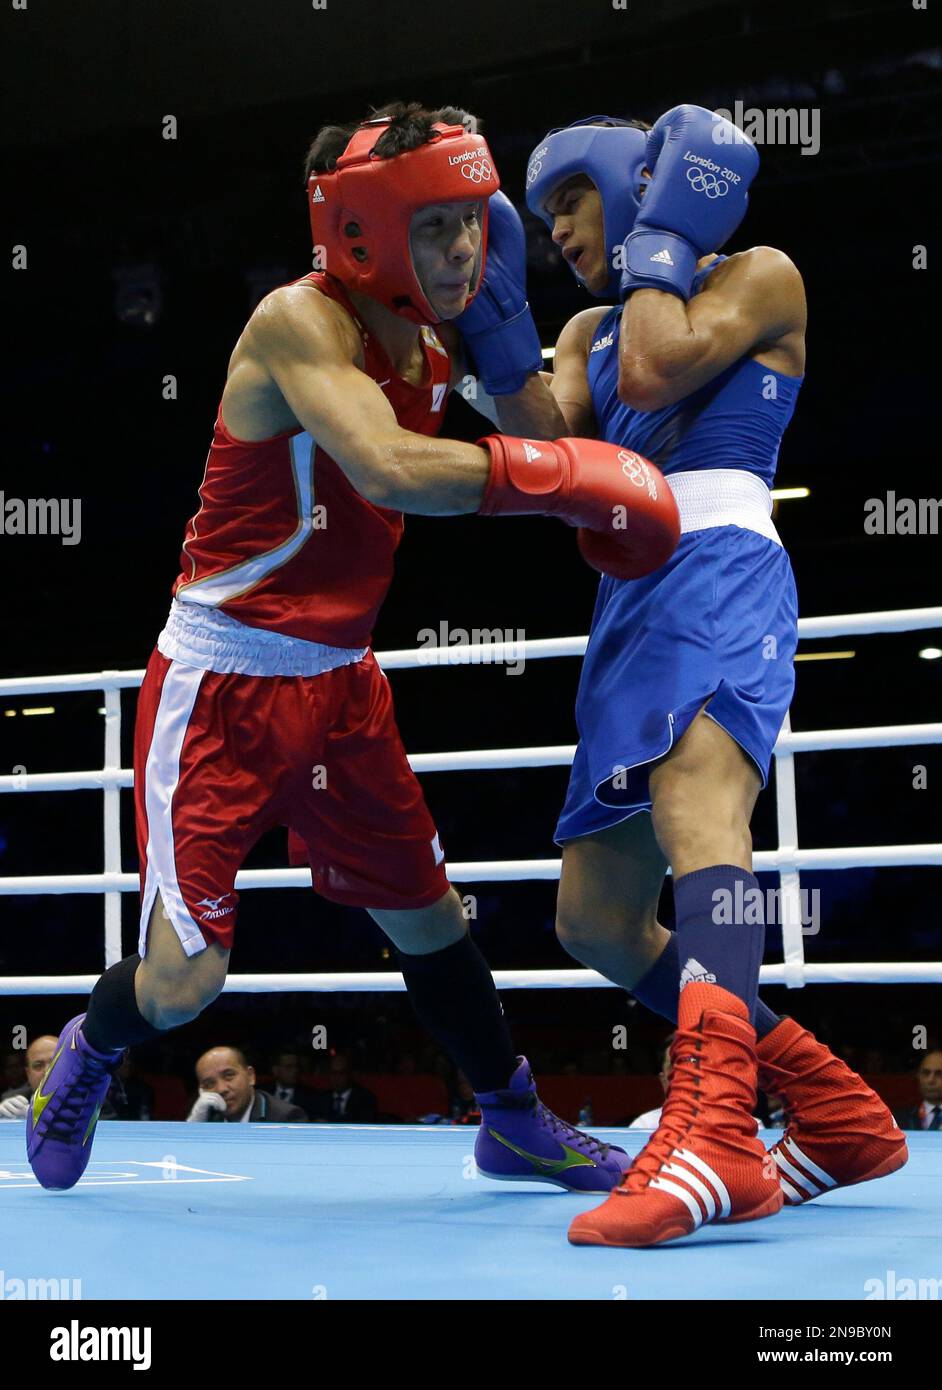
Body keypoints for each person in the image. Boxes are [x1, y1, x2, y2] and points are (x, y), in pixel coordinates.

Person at [26, 101, 680, 1197]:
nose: (466, 247)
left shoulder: (438, 325)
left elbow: (554, 437)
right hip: (225, 678)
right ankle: (85, 1054)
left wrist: (510, 335)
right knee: (185, 984)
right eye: (436, 228)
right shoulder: (299, 323)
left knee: (427, 911)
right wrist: (562, 485)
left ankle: (512, 1119)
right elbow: (389, 469)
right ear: (361, 231)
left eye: (473, 220)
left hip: (341, 685)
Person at [465, 103, 906, 1244]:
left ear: (636, 177)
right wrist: (497, 326)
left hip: (721, 565)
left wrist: (664, 232)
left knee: (696, 808)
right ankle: (829, 1100)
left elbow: (659, 376)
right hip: (626, 604)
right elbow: (542, 452)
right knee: (597, 916)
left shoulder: (761, 275)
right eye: (544, 211)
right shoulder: (586, 334)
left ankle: (713, 1130)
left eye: (572, 196)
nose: (555, 224)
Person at [188, 1046, 307, 1123]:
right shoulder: (206, 1118)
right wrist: (195, 1126)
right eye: (209, 1084)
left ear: (251, 1076)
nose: (221, 1089)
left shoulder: (286, 1118)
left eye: (229, 1075)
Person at [309, 1053, 378, 1123]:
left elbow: (364, 1124)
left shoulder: (365, 1099)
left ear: (350, 1074)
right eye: (333, 1073)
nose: (337, 1078)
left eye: (341, 1073)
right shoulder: (322, 1098)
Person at [894, 1050, 942, 1130]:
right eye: (926, 1073)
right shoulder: (899, 1119)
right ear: (918, 1076)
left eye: (939, 1073)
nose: (930, 1080)